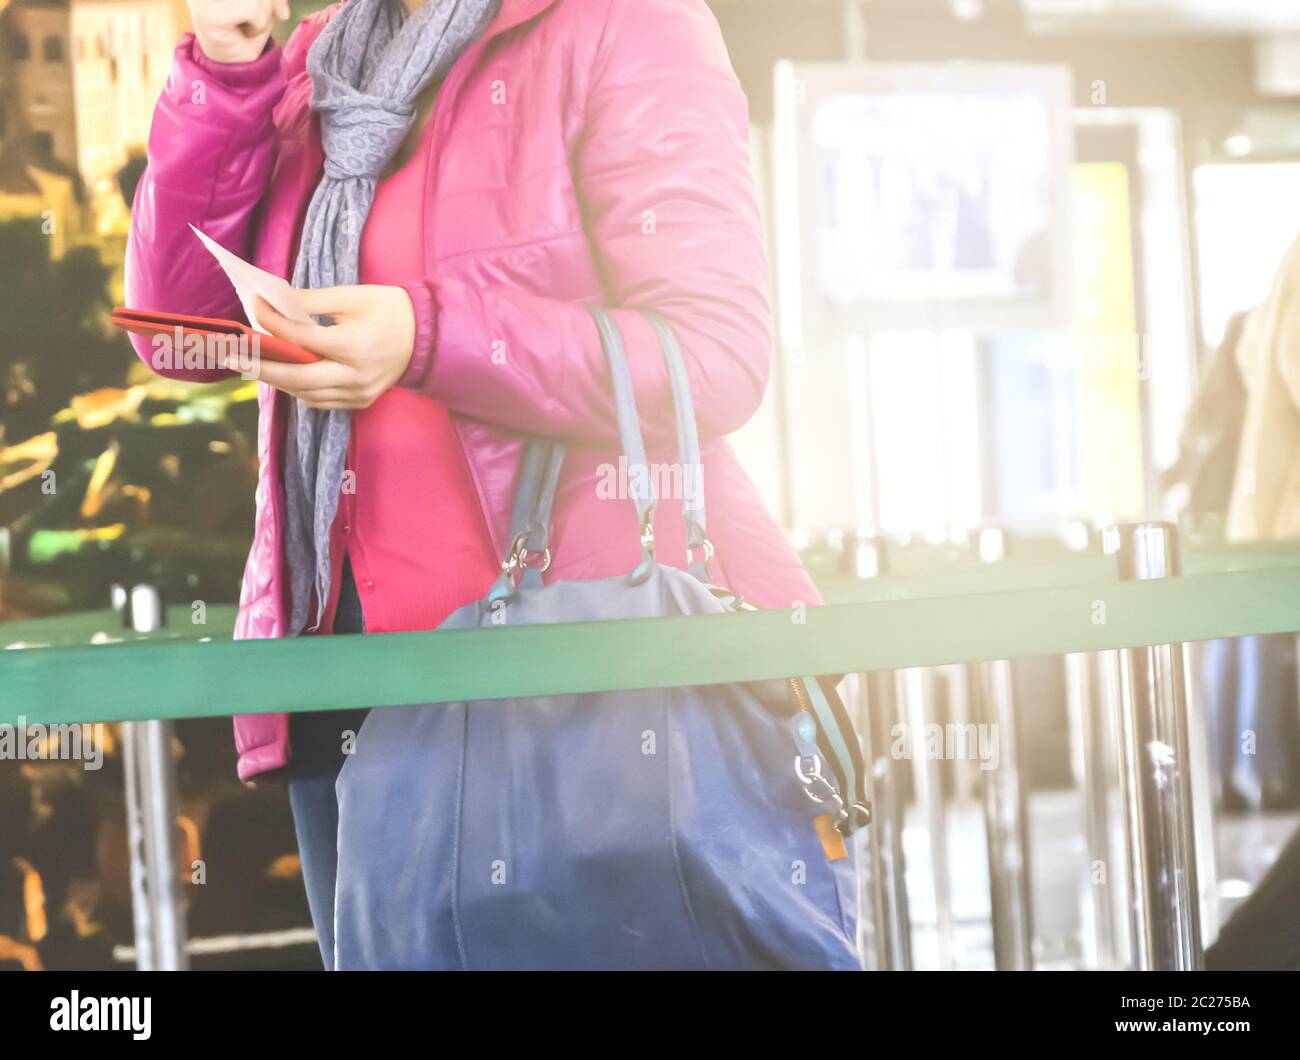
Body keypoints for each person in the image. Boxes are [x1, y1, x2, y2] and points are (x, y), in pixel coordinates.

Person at [126, 0, 828, 967]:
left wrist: (429, 337)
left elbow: (715, 351)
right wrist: (226, 67)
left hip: (575, 680)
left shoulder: (629, 22)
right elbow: (178, 331)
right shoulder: (317, 58)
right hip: (348, 681)